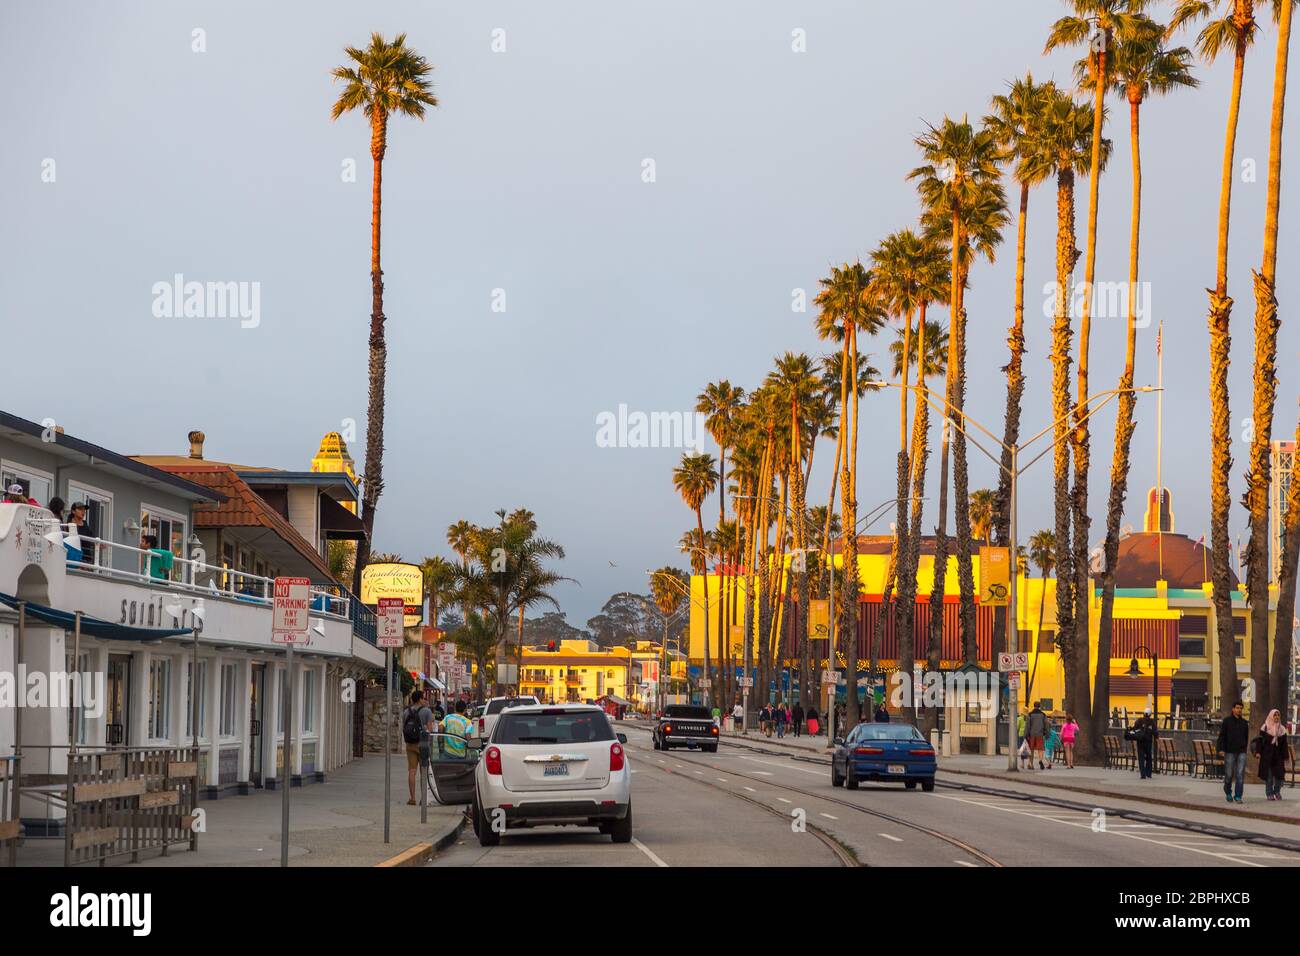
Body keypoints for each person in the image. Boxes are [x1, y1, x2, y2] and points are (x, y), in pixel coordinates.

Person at [402, 689, 434, 805]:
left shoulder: (406, 711)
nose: (424, 700)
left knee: (412, 771)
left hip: (410, 744)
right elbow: (430, 729)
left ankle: (412, 798)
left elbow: (404, 726)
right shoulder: (426, 711)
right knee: (423, 771)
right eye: (423, 698)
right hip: (423, 744)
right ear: (420, 699)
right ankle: (423, 799)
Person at [1217, 700, 1250, 803]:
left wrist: (1244, 748)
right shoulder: (1227, 721)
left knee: (1240, 774)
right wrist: (1221, 749)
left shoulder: (1244, 723)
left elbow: (1246, 737)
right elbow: (1221, 736)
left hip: (1241, 752)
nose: (1239, 710)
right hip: (1229, 751)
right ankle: (1227, 791)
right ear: (1233, 709)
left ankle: (1238, 796)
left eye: (1240, 708)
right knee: (1229, 774)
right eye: (1237, 708)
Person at [1255, 708, 1289, 802]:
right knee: (1269, 777)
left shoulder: (1282, 729)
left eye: (1278, 715)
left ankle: (1277, 791)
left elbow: (1284, 745)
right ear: (1271, 716)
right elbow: (1259, 741)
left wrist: (1286, 757)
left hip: (1278, 757)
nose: (1277, 717)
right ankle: (1269, 793)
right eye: (1275, 715)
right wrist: (1258, 752)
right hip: (1267, 756)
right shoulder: (1265, 727)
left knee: (1279, 776)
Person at [1131, 708, 1157, 779]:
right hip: (1148, 742)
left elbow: (1134, 729)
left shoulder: (1139, 721)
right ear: (1150, 714)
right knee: (1149, 757)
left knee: (1141, 758)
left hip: (1140, 742)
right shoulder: (1152, 722)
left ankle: (1143, 774)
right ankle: (1148, 773)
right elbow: (1155, 733)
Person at [1024, 702, 1047, 770]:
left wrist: (1025, 734)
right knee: (1040, 749)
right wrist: (1046, 732)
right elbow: (1046, 724)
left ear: (1034, 706)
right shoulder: (1043, 714)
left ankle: (1031, 764)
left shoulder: (1030, 714)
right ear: (1039, 706)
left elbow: (1027, 725)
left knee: (1031, 749)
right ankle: (1040, 760)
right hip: (1040, 734)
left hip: (1032, 734)